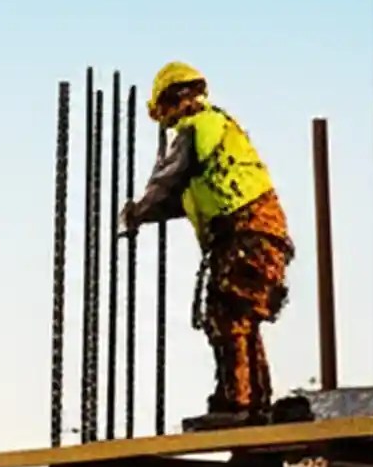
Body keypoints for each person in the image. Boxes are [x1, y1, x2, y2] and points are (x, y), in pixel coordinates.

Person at [120, 62, 295, 431]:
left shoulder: (197, 126)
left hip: (246, 232)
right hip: (256, 233)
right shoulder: (217, 134)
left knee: (228, 314)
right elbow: (175, 199)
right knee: (240, 316)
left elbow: (167, 181)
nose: (168, 122)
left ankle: (238, 404)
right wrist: (147, 213)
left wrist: (136, 212)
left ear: (175, 99)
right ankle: (251, 402)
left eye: (165, 112)